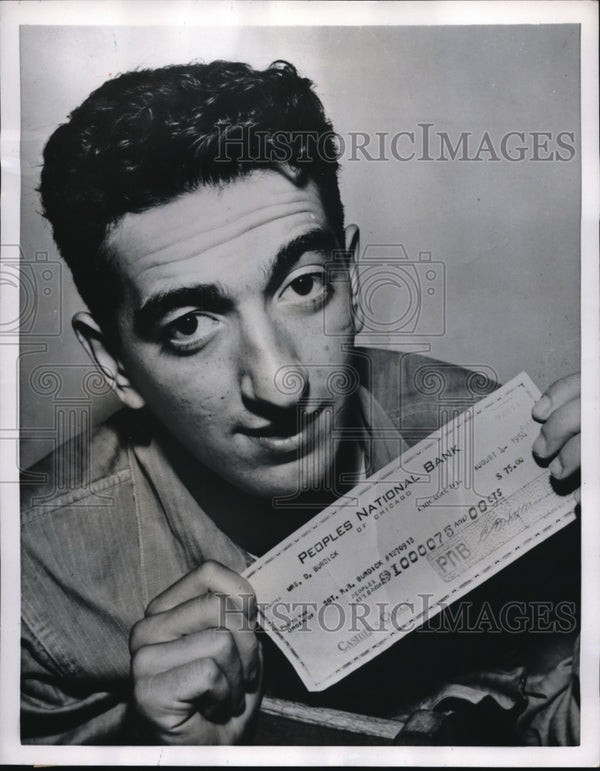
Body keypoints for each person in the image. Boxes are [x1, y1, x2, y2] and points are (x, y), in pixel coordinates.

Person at [21, 60, 581, 745]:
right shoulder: (34, 591)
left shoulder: (505, 449)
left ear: (352, 279)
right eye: (190, 325)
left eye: (304, 285)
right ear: (115, 363)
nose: (280, 382)